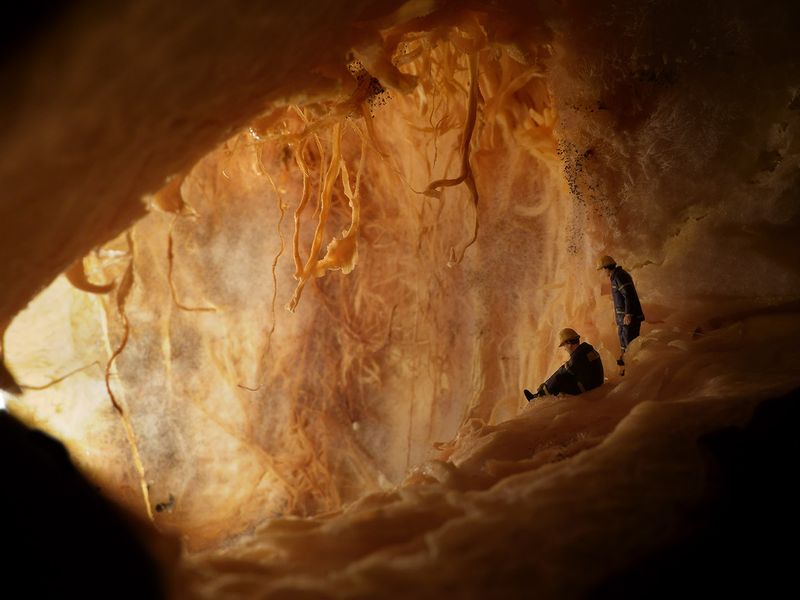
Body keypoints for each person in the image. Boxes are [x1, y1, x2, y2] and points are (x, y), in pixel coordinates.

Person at [524, 328, 604, 400]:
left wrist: (545, 386)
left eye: (564, 345)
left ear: (569, 343)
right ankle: (542, 393)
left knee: (560, 379)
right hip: (596, 383)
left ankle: (539, 397)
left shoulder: (578, 355)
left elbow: (562, 372)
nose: (565, 349)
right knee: (565, 375)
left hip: (589, 387)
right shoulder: (586, 349)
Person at [597, 255, 644, 375]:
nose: (603, 272)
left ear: (606, 268)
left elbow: (628, 295)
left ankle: (631, 370)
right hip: (623, 319)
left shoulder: (619, 276)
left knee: (629, 343)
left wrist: (628, 313)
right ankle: (625, 366)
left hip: (628, 318)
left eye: (602, 269)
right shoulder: (616, 276)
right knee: (624, 341)